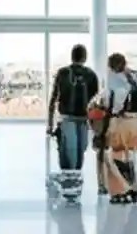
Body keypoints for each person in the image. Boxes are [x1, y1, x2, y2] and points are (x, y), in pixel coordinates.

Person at [46, 44, 100, 196]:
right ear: (85, 57)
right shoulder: (91, 75)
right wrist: (97, 128)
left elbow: (53, 98)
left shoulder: (63, 73)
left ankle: (71, 184)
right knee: (79, 151)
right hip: (83, 119)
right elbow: (96, 103)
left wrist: (50, 123)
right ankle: (73, 184)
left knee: (71, 151)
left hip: (67, 118)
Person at [97, 53, 137, 204]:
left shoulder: (113, 81)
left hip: (120, 121)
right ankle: (135, 187)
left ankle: (121, 191)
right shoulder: (133, 77)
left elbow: (112, 104)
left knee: (113, 156)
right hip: (136, 122)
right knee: (129, 155)